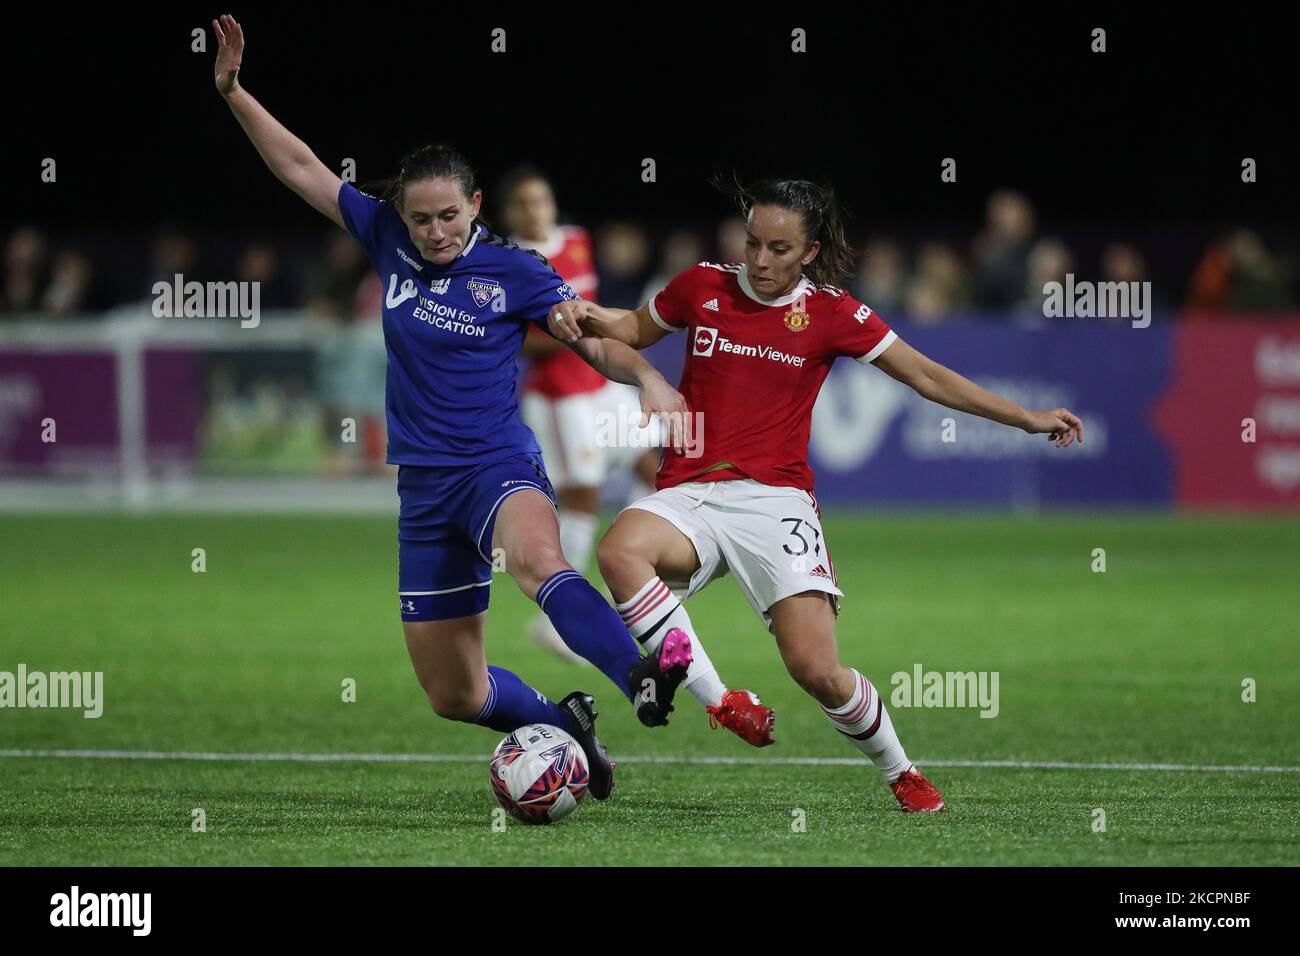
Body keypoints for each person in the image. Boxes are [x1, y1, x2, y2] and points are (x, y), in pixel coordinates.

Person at [212, 13, 700, 799]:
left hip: (497, 466)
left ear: (475, 204)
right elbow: (300, 165)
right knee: (454, 694)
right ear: (398, 214)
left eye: (450, 215)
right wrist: (235, 93)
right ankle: (567, 721)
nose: (436, 231)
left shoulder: (518, 271)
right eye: (421, 218)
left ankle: (637, 675)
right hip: (423, 488)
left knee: (541, 563)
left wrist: (645, 376)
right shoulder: (384, 234)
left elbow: (590, 340)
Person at [549, 177, 1084, 812]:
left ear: (810, 250)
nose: (761, 260)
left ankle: (901, 770)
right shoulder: (701, 286)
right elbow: (632, 329)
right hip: (688, 493)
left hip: (775, 501)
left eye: (779, 249)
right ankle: (722, 702)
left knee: (816, 671)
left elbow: (926, 375)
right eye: (753, 244)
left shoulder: (834, 313)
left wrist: (1024, 417)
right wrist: (577, 313)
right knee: (619, 552)